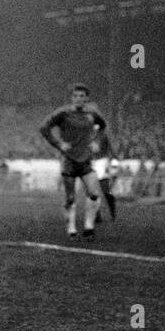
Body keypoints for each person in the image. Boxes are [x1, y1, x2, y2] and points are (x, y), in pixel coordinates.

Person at [39, 83, 107, 241]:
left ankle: (89, 228)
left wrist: (97, 141)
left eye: (82, 96)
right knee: (70, 198)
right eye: (75, 96)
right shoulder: (63, 113)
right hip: (68, 160)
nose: (78, 99)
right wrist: (59, 144)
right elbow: (44, 127)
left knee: (94, 194)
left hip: (86, 159)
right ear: (71, 98)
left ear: (87, 98)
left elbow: (102, 127)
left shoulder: (92, 113)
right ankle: (71, 229)